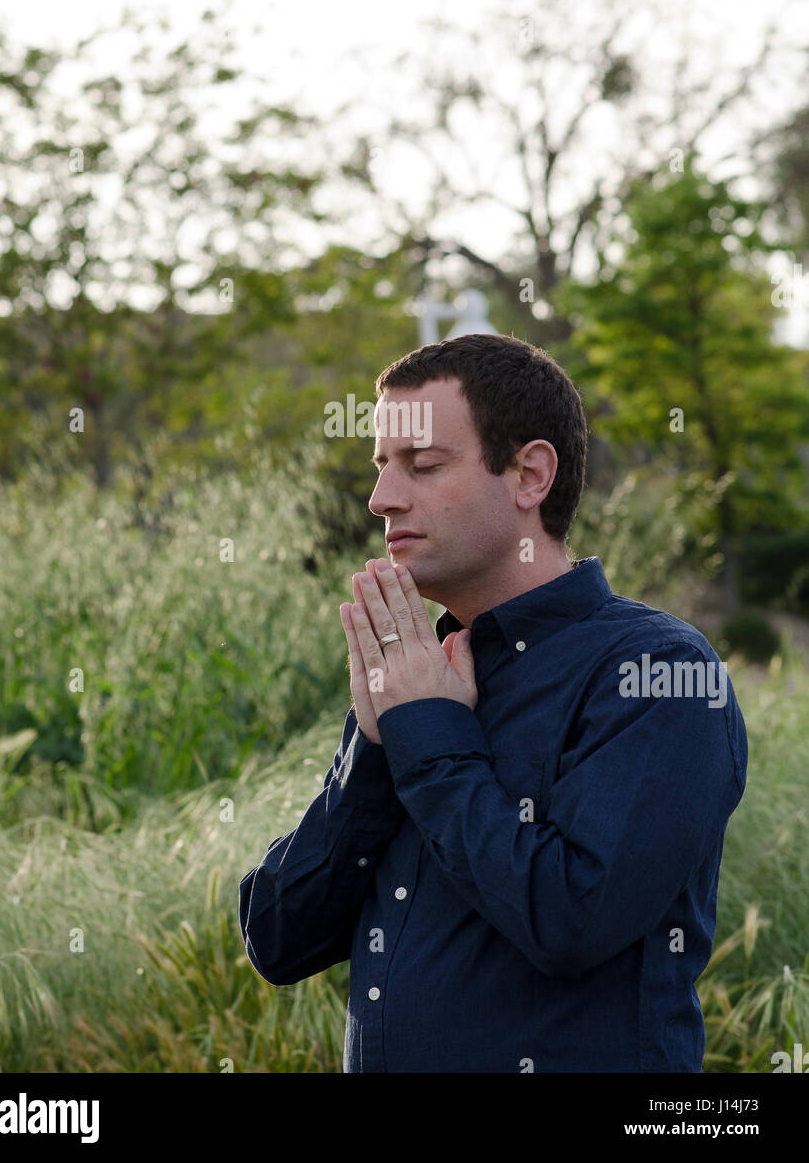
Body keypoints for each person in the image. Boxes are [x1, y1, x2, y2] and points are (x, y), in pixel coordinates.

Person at [238, 333, 748, 1072]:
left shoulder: (657, 672)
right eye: (380, 468)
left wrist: (430, 736)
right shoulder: (422, 674)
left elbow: (569, 920)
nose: (382, 498)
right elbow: (279, 941)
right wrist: (379, 750)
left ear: (529, 474)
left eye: (422, 465)